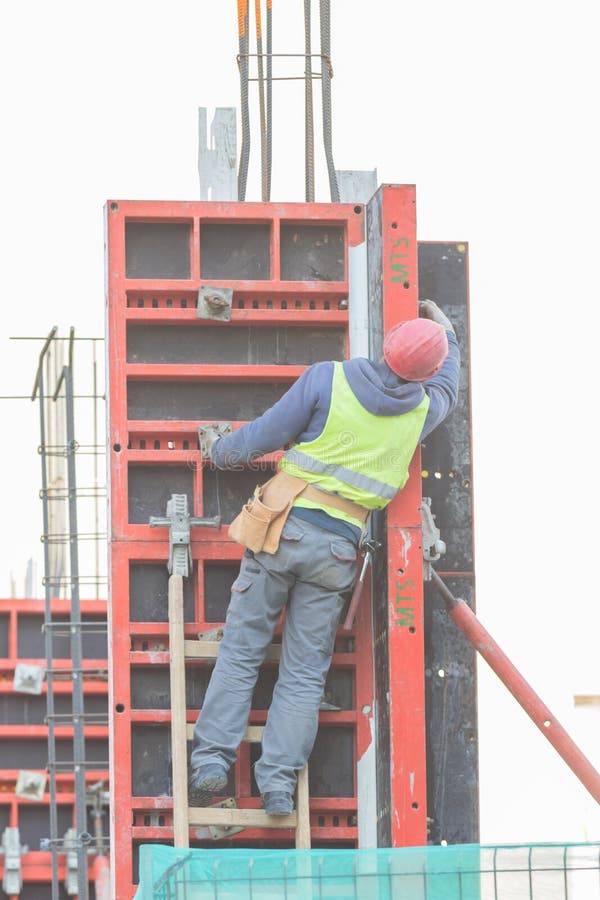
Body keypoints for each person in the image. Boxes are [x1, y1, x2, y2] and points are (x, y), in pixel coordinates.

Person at [189, 299, 460, 815]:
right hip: (339, 551)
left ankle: (211, 764)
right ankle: (277, 786)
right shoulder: (424, 410)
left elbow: (263, 436)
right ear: (427, 372)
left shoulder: (326, 379)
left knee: (243, 650)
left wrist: (220, 452)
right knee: (304, 672)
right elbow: (449, 383)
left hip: (282, 528)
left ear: (388, 342)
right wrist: (448, 339)